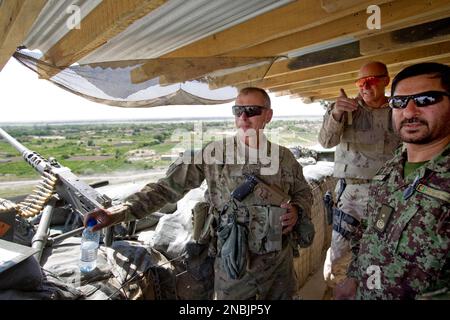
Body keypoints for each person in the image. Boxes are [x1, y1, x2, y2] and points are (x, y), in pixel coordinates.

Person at [85, 87, 314, 300]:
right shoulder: (213, 154)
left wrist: (297, 209)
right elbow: (166, 189)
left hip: (278, 266)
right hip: (233, 266)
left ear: (268, 116)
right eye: (238, 110)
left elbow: (304, 193)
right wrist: (118, 212)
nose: (243, 117)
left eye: (252, 111)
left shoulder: (284, 158)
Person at [336, 62, 450, 300]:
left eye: (426, 100)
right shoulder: (390, 168)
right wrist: (354, 277)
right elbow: (370, 230)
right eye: (399, 102)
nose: (409, 112)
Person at [318, 61, 401, 292]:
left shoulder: (399, 110)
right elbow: (326, 141)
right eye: (360, 82)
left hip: (387, 196)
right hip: (351, 196)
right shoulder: (346, 109)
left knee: (382, 250)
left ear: (386, 80)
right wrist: (336, 113)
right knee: (340, 253)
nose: (365, 87)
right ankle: (337, 293)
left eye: (372, 81)